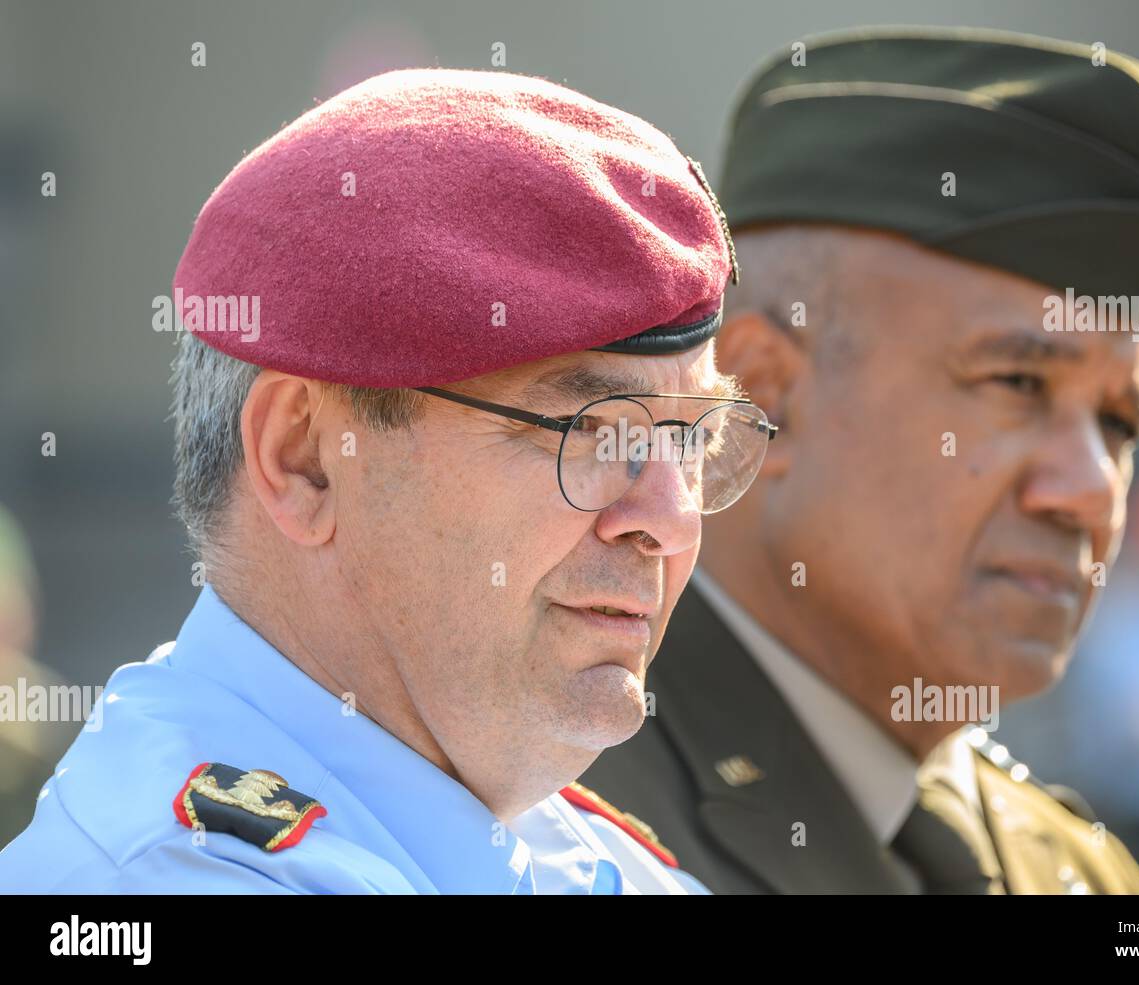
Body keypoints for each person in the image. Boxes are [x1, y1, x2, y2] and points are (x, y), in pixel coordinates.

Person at [0, 68, 778, 894]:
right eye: (587, 431)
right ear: (304, 458)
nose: (668, 519)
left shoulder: (581, 859)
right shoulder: (165, 879)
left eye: (692, 438)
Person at [583, 26, 1139, 894]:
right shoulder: (564, 839)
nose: (1090, 489)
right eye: (1017, 381)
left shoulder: (1081, 870)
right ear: (764, 398)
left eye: (1120, 423)